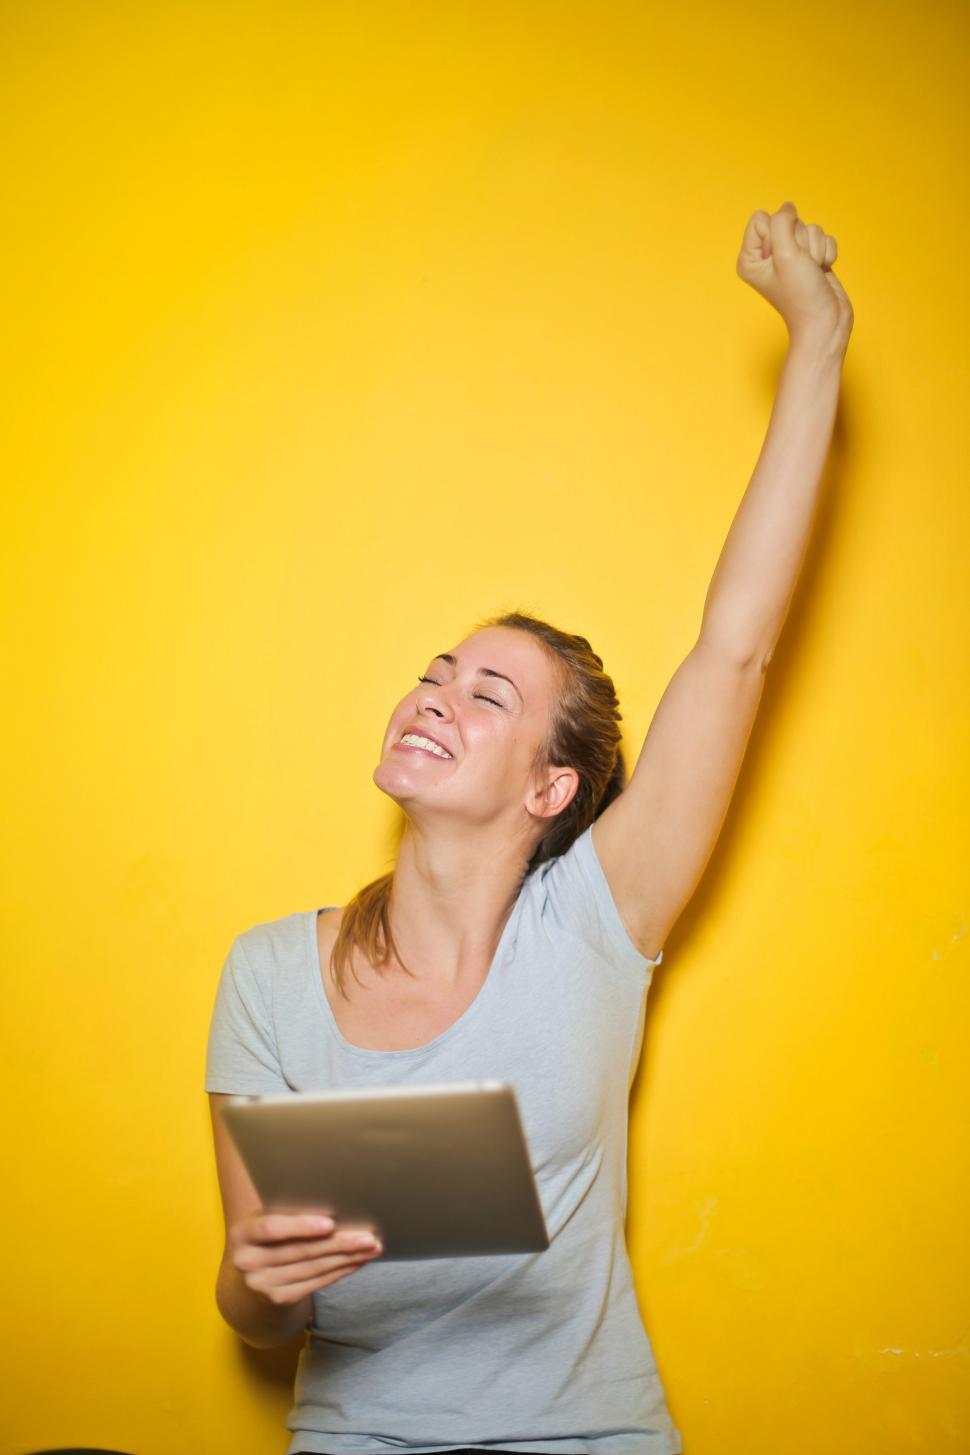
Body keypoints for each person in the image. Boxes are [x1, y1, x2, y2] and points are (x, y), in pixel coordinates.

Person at [205, 199, 853, 1455]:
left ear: (550, 789)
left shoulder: (597, 923)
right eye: (434, 673)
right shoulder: (268, 975)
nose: (433, 697)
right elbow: (256, 1319)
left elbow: (735, 648)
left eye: (487, 695)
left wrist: (816, 336)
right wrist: (256, 1280)